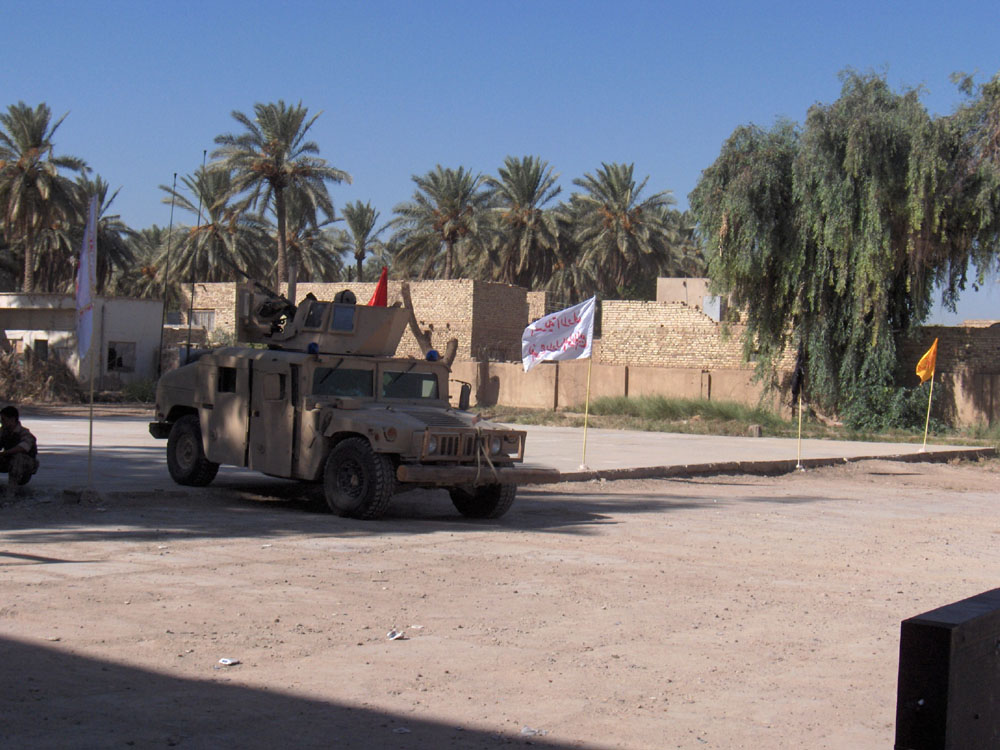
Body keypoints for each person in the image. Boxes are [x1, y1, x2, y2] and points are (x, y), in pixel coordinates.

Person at [0, 405, 39, 486]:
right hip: (9, 461)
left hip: (25, 466)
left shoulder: (24, 433)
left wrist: (5, 453)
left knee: (18, 458)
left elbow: (23, 448)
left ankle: (12, 490)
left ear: (12, 419)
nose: (2, 422)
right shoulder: (3, 431)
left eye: (3, 419)